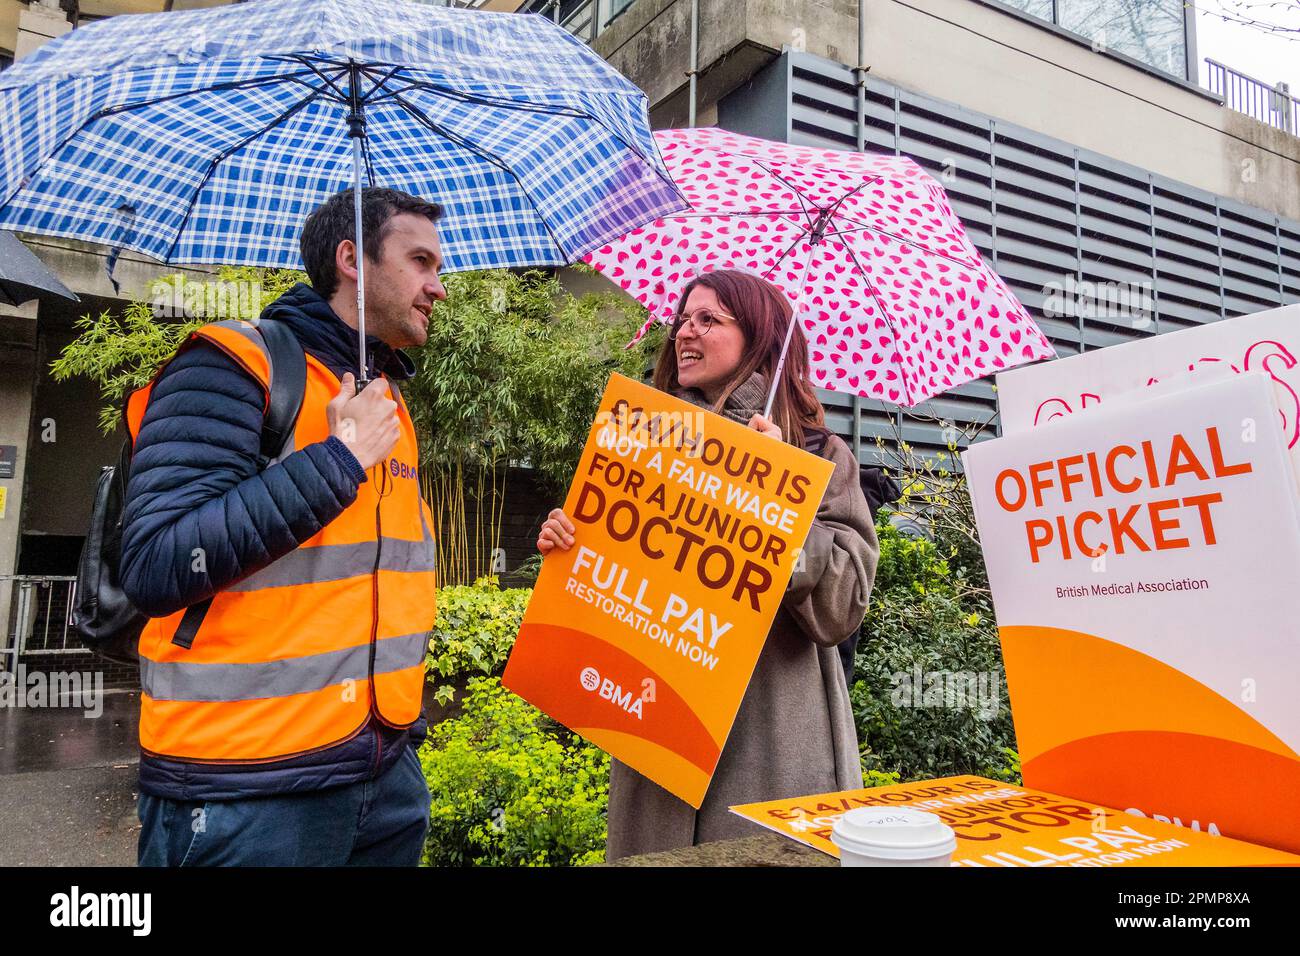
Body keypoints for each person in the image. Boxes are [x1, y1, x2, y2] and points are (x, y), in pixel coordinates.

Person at [121, 187, 446, 866]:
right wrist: (339, 461)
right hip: (245, 786)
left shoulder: (383, 402)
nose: (437, 287)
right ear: (352, 259)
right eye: (420, 262)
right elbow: (156, 562)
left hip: (381, 775)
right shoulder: (235, 363)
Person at [537, 269, 880, 860]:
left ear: (760, 338)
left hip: (770, 737)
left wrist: (779, 507)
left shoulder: (818, 455)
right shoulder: (645, 442)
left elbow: (845, 606)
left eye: (708, 320)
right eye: (681, 320)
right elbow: (618, 585)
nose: (683, 335)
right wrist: (570, 546)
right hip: (658, 735)